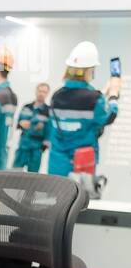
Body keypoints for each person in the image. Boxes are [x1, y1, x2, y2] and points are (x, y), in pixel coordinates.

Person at [47, 42, 120, 177]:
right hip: (80, 165)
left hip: (57, 164)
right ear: (90, 70)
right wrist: (114, 95)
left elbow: (78, 110)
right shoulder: (95, 99)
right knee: (79, 197)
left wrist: (102, 93)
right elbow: (109, 116)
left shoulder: (56, 96)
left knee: (57, 196)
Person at [13, 82, 51, 171]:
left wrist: (45, 145)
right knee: (15, 172)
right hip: (23, 145)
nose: (41, 93)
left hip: (37, 148)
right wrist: (20, 123)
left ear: (47, 94)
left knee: (33, 177)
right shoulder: (26, 107)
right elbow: (17, 123)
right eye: (40, 91)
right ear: (36, 91)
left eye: (44, 92)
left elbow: (50, 130)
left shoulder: (48, 111)